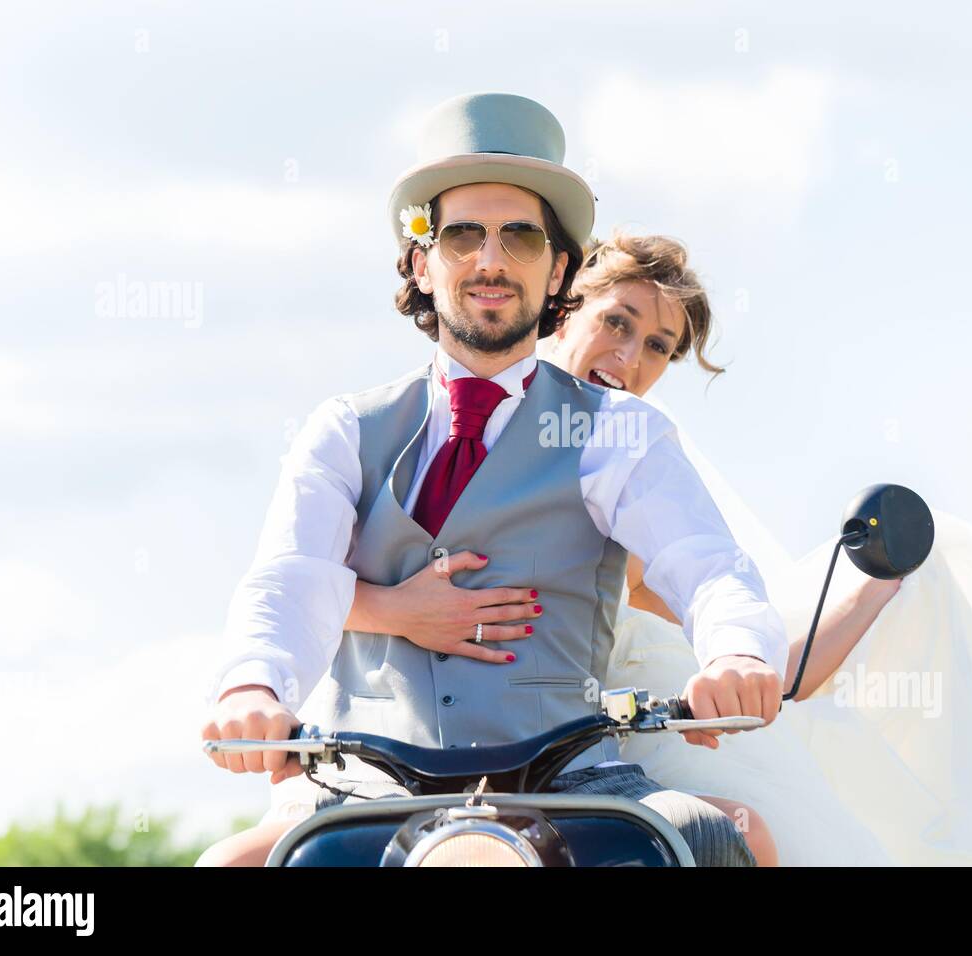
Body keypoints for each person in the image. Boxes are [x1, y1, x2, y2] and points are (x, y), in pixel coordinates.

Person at [337, 228, 972, 866]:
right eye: (618, 322)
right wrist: (399, 612)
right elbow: (304, 585)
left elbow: (751, 634)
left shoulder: (637, 481)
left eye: (659, 347)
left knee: (739, 835)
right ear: (563, 308)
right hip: (406, 755)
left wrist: (873, 585)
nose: (631, 356)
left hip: (579, 763)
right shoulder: (426, 421)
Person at [196, 92, 788, 867]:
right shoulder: (342, 429)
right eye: (463, 234)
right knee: (230, 867)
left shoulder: (619, 432)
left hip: (567, 776)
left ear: (560, 272)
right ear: (422, 260)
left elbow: (708, 566)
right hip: (370, 780)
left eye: (521, 237)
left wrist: (739, 653)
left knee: (726, 838)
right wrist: (249, 690)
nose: (490, 260)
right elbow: (286, 581)